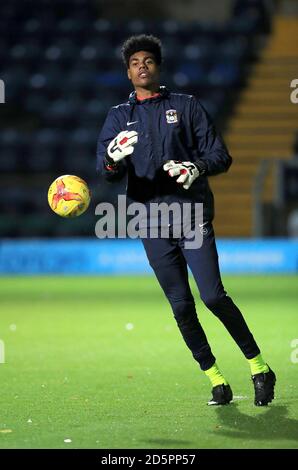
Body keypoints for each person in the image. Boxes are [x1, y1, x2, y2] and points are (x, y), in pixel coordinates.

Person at [96, 34, 276, 406]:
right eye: (134, 62)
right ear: (128, 72)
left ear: (158, 67)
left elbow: (220, 156)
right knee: (180, 304)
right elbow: (108, 172)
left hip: (190, 214)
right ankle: (215, 378)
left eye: (148, 60)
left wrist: (196, 167)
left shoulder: (187, 106)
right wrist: (113, 158)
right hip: (150, 220)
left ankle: (259, 367)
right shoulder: (118, 117)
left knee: (212, 295)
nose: (141, 66)